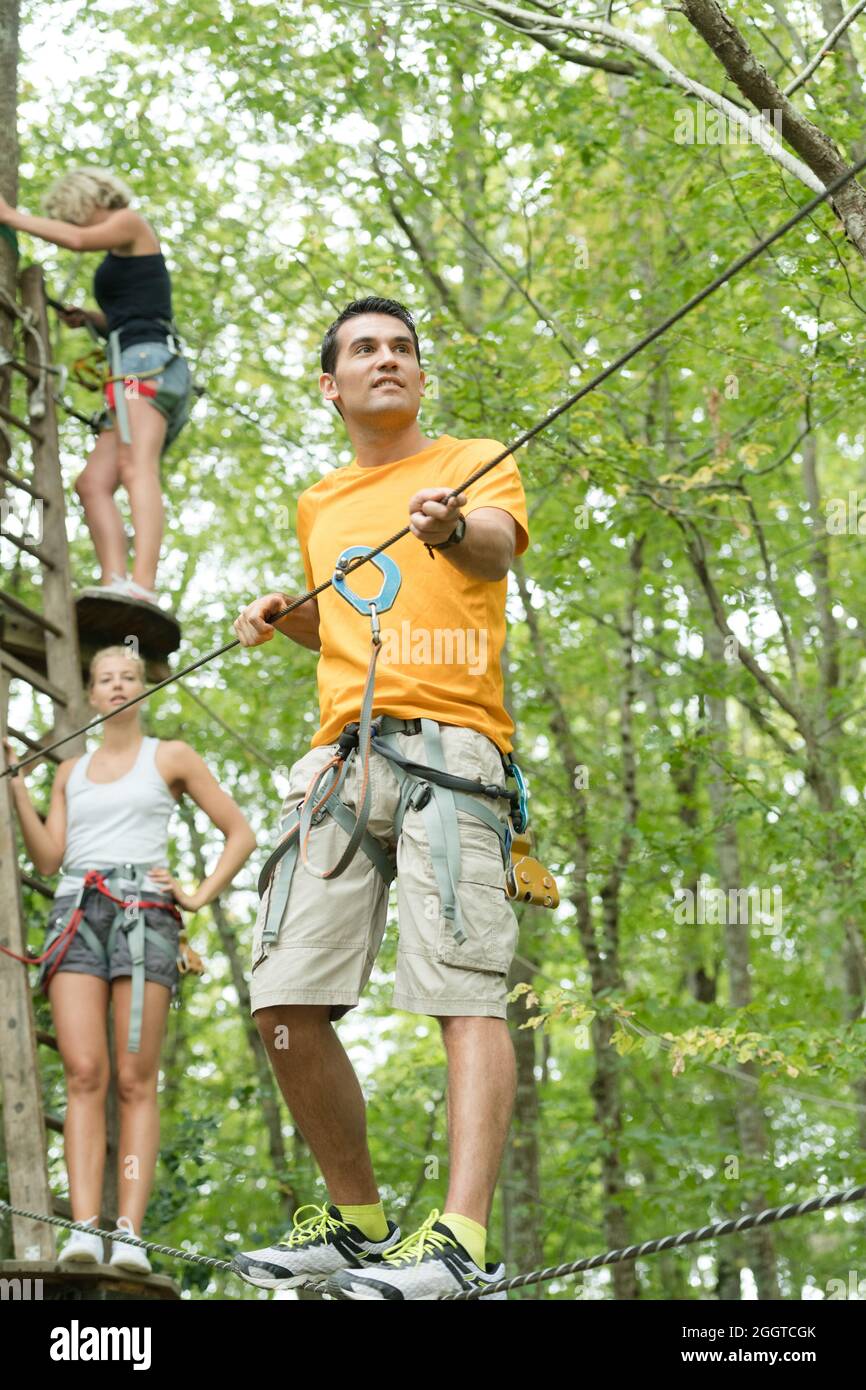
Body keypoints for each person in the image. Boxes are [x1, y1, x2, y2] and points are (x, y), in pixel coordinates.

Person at [232, 295, 529, 1300]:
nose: (387, 359)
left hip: (452, 751)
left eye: (401, 347)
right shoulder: (318, 504)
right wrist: (293, 617)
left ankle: (462, 1238)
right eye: (364, 349)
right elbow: (354, 622)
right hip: (339, 758)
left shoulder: (474, 458)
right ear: (332, 385)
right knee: (281, 999)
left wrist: (447, 529)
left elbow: (490, 546)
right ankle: (356, 1218)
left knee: (460, 987)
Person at [3, 646, 256, 1273]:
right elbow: (47, 858)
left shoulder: (168, 756)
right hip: (78, 910)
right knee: (85, 1073)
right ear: (91, 694)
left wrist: (195, 896)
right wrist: (15, 782)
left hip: (145, 915)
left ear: (144, 688)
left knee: (136, 1079)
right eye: (105, 679)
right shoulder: (69, 771)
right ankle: (84, 1231)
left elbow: (241, 832)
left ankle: (130, 1235)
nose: (118, 687)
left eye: (129, 677)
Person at [0, 168, 193, 605]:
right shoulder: (121, 246)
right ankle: (116, 583)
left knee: (135, 465)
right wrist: (90, 318)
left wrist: (10, 216)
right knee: (92, 483)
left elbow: (79, 240)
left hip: (144, 367)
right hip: (130, 365)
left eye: (73, 214)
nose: (76, 224)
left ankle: (142, 585)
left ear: (85, 200)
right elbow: (134, 310)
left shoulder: (130, 221)